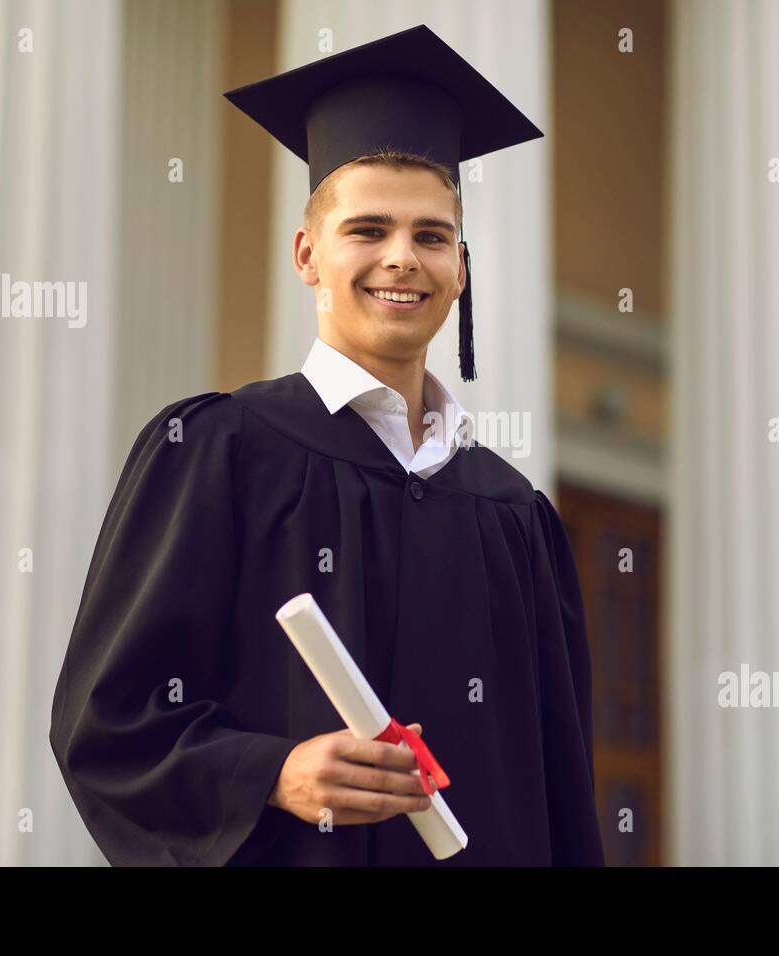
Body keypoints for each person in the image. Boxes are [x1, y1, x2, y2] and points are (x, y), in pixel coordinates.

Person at [48, 24, 605, 866]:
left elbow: (563, 796)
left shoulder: (512, 515)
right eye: (367, 229)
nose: (401, 258)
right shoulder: (217, 453)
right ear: (308, 254)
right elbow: (109, 723)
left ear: (460, 263)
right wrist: (270, 772)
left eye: (429, 235)